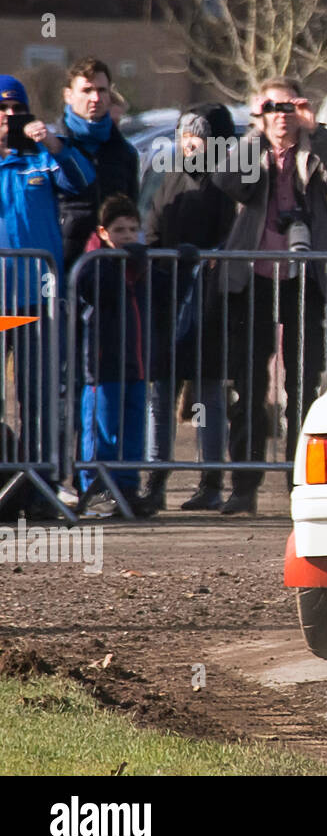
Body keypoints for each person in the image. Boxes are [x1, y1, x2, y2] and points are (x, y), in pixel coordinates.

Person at [211, 77, 327, 515]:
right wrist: (255, 130)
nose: (281, 116)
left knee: (303, 385)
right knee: (249, 385)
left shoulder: (314, 150)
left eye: (289, 108)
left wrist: (317, 132)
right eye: (272, 108)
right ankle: (244, 486)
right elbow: (228, 181)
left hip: (306, 281)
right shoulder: (252, 150)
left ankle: (302, 483)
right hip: (254, 280)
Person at [0, 74, 95, 502]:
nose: (9, 117)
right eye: (1, 110)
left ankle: (38, 485)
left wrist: (55, 143)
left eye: (16, 108)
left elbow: (82, 181)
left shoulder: (40, 157)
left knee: (37, 399)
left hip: (37, 298)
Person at [142, 103, 240, 512]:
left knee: (207, 394)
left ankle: (211, 482)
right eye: (184, 134)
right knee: (160, 395)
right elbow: (148, 227)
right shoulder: (163, 174)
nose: (189, 142)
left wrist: (216, 256)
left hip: (212, 302)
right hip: (165, 298)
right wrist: (153, 258)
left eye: (197, 134)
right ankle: (155, 481)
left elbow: (236, 235)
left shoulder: (231, 180)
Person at [76, 195, 197, 518]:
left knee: (132, 433)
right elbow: (100, 293)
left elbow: (167, 295)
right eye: (120, 230)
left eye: (132, 229)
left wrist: (184, 267)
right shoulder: (92, 265)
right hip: (102, 368)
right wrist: (121, 262)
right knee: (103, 431)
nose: (128, 236)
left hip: (137, 365)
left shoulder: (139, 266)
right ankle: (96, 492)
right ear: (103, 232)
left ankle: (126, 490)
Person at [57, 57, 140, 272]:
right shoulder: (52, 148)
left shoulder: (125, 152)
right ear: (68, 95)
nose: (95, 98)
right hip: (60, 266)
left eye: (102, 90)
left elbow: (131, 209)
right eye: (86, 90)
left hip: (111, 270)